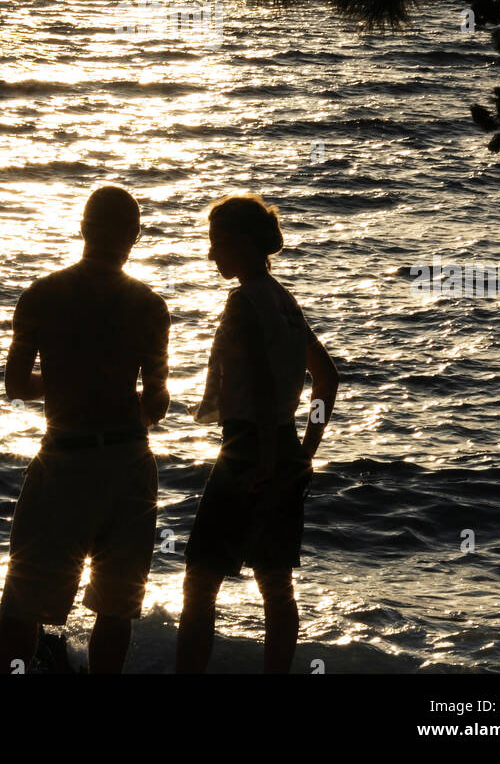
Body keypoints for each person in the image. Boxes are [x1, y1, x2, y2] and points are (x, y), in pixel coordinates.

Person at [0, 186, 170, 675]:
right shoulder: (150, 307)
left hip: (65, 462)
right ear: (135, 235)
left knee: (23, 605)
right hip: (128, 464)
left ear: (83, 228)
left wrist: (71, 382)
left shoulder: (39, 296)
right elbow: (156, 402)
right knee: (115, 606)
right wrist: (116, 392)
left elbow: (15, 385)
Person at [176, 194, 339, 675]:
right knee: (275, 580)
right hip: (284, 446)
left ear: (244, 244)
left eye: (217, 243)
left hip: (249, 447)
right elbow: (327, 379)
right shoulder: (285, 302)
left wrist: (266, 458)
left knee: (201, 579)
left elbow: (266, 384)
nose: (211, 255)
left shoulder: (244, 300)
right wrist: (304, 452)